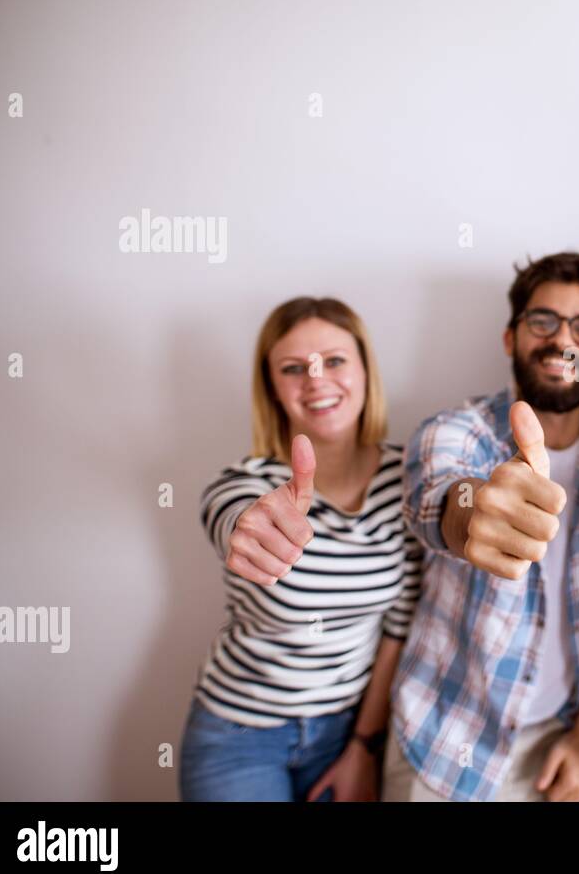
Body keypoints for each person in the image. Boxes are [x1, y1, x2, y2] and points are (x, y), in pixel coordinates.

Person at [386, 252, 579, 802]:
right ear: (510, 337)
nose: (562, 338)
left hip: (565, 743)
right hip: (444, 741)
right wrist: (474, 514)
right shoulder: (452, 431)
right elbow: (441, 500)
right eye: (542, 320)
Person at [180, 297, 422, 802]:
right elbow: (231, 515)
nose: (315, 380)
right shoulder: (244, 484)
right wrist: (246, 528)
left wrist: (363, 747)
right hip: (237, 737)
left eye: (333, 360)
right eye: (293, 368)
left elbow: (398, 629)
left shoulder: (411, 479)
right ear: (272, 387)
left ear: (365, 370)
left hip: (345, 736)